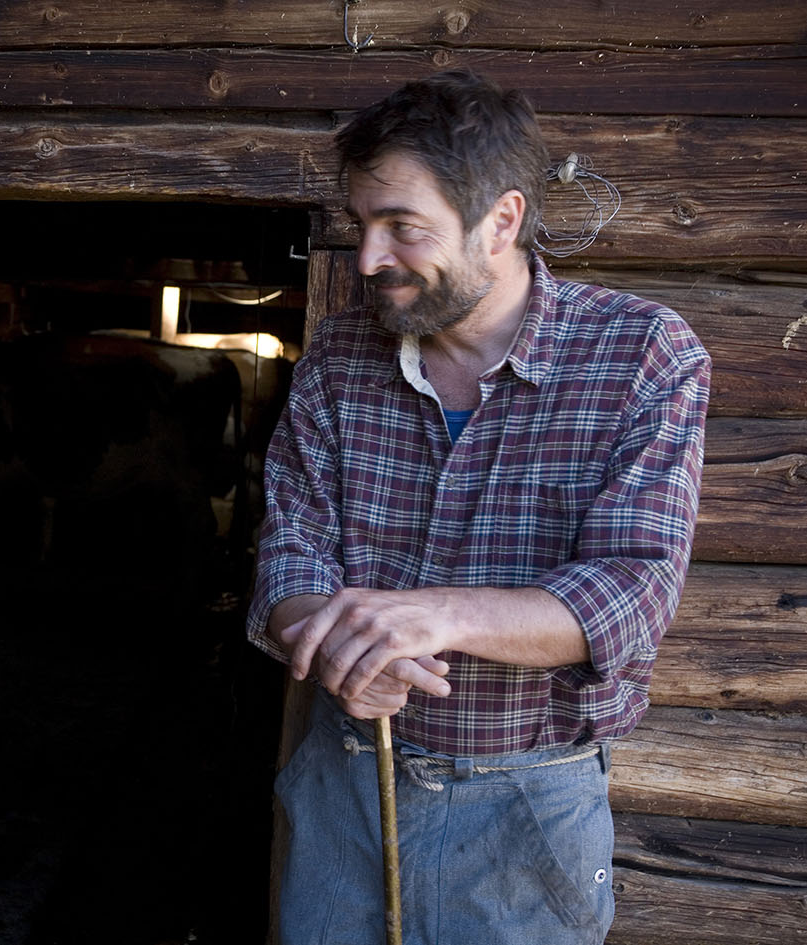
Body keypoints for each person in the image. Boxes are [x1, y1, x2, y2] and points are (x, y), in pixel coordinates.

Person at [247, 70, 709, 945]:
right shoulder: (340, 354)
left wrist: (428, 618)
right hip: (344, 783)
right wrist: (336, 640)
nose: (369, 258)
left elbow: (630, 594)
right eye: (360, 225)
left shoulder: (643, 353)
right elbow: (289, 556)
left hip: (528, 806)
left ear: (500, 218)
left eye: (402, 228)